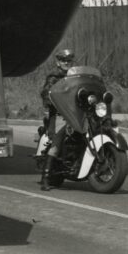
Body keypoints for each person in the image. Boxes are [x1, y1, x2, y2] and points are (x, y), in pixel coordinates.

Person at [36, 49, 74, 190]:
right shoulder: (54, 77)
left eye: (69, 60)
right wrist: (51, 101)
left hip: (74, 113)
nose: (66, 63)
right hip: (57, 114)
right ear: (58, 62)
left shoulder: (75, 76)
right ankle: (45, 177)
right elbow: (46, 93)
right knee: (57, 139)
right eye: (63, 60)